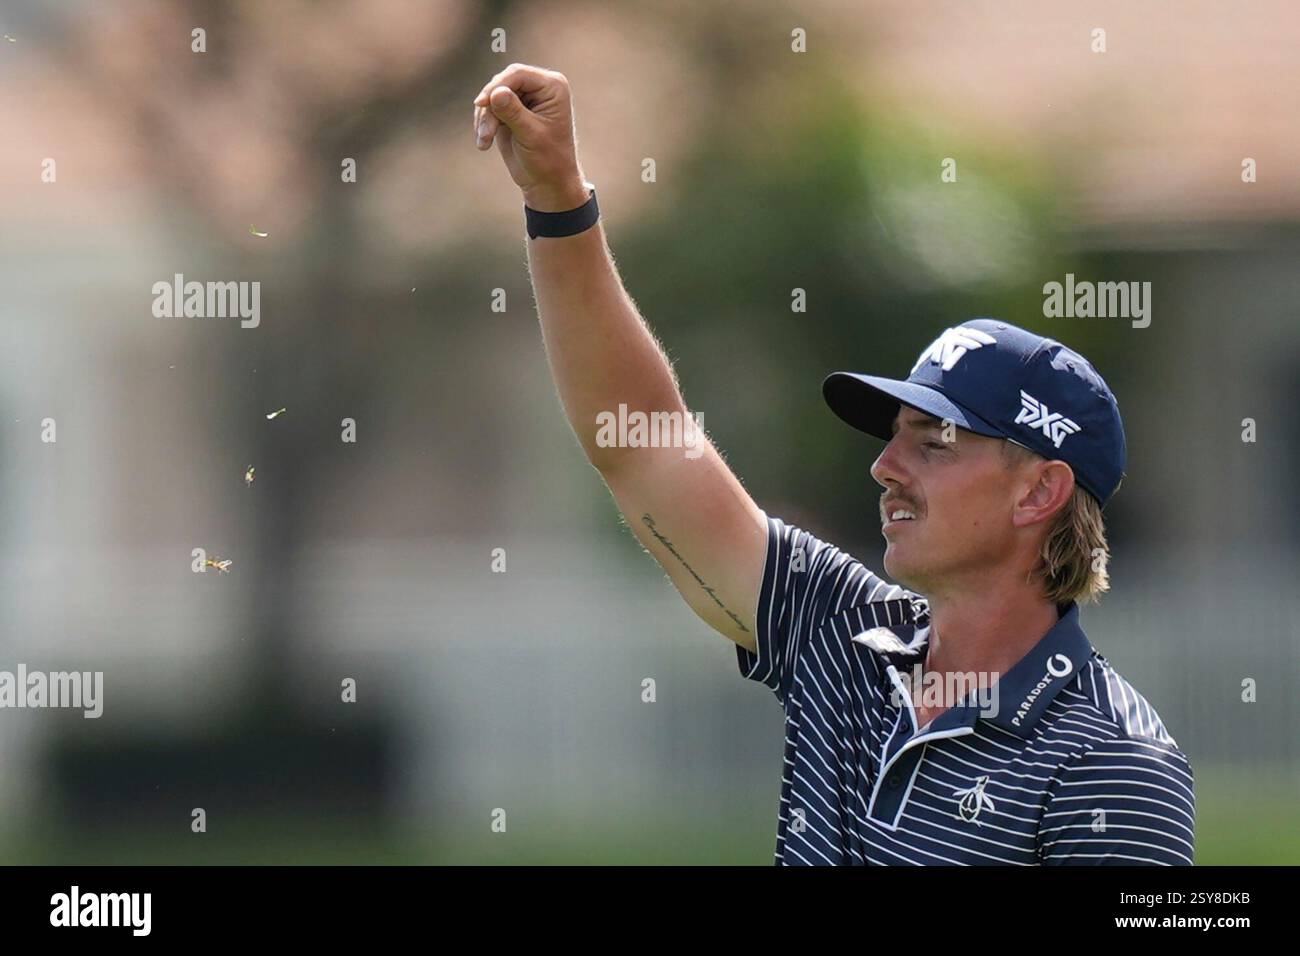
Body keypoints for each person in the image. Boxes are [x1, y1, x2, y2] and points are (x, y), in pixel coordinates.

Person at [473, 64, 1194, 865]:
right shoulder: (841, 635)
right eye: (894, 434)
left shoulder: (1114, 767)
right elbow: (641, 445)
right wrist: (558, 199)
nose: (884, 466)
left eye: (935, 441)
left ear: (1039, 491)